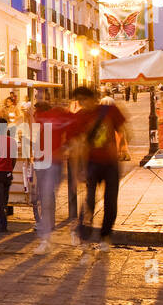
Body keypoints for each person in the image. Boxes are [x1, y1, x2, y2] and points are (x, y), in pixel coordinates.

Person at [73, 87, 129, 250]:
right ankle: (84, 235)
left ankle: (105, 236)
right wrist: (78, 169)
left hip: (111, 163)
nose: (82, 103)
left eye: (84, 99)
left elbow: (123, 131)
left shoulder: (109, 110)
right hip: (92, 163)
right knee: (89, 200)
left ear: (93, 98)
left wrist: (122, 150)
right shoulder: (80, 117)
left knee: (111, 202)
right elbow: (79, 143)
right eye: (79, 100)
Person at [31, 100, 79, 254]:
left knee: (45, 196)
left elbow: (73, 136)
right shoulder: (42, 121)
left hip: (53, 163)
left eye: (35, 111)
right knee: (44, 196)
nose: (33, 114)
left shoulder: (56, 116)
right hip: (43, 163)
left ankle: (46, 239)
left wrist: (63, 149)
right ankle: (47, 235)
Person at [0, 117, 15, 233]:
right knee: (4, 197)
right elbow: (13, 159)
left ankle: (2, 222)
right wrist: (10, 169)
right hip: (7, 173)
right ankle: (0, 219)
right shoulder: (12, 141)